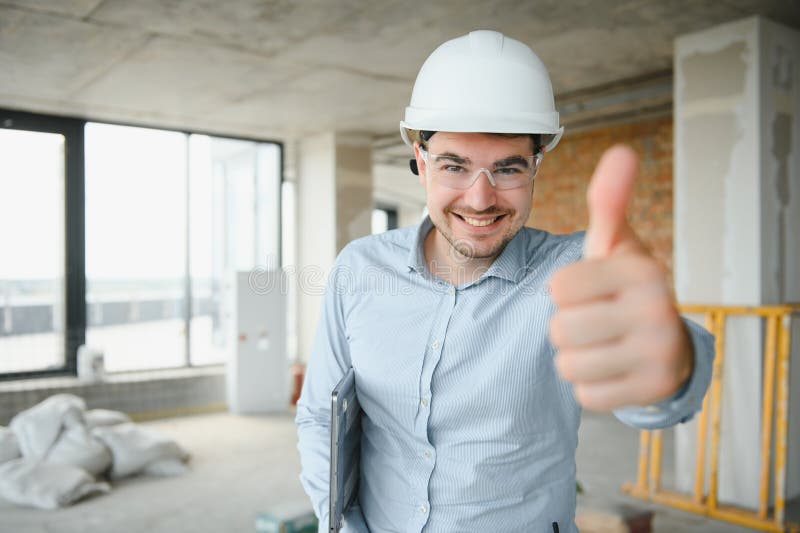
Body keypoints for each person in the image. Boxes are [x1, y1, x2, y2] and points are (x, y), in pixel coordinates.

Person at [296, 30, 713, 533]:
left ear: (536, 165)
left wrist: (674, 369)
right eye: (455, 166)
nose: (480, 199)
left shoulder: (574, 272)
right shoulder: (359, 270)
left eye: (508, 168)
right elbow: (321, 416)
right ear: (420, 159)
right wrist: (341, 524)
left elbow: (653, 378)